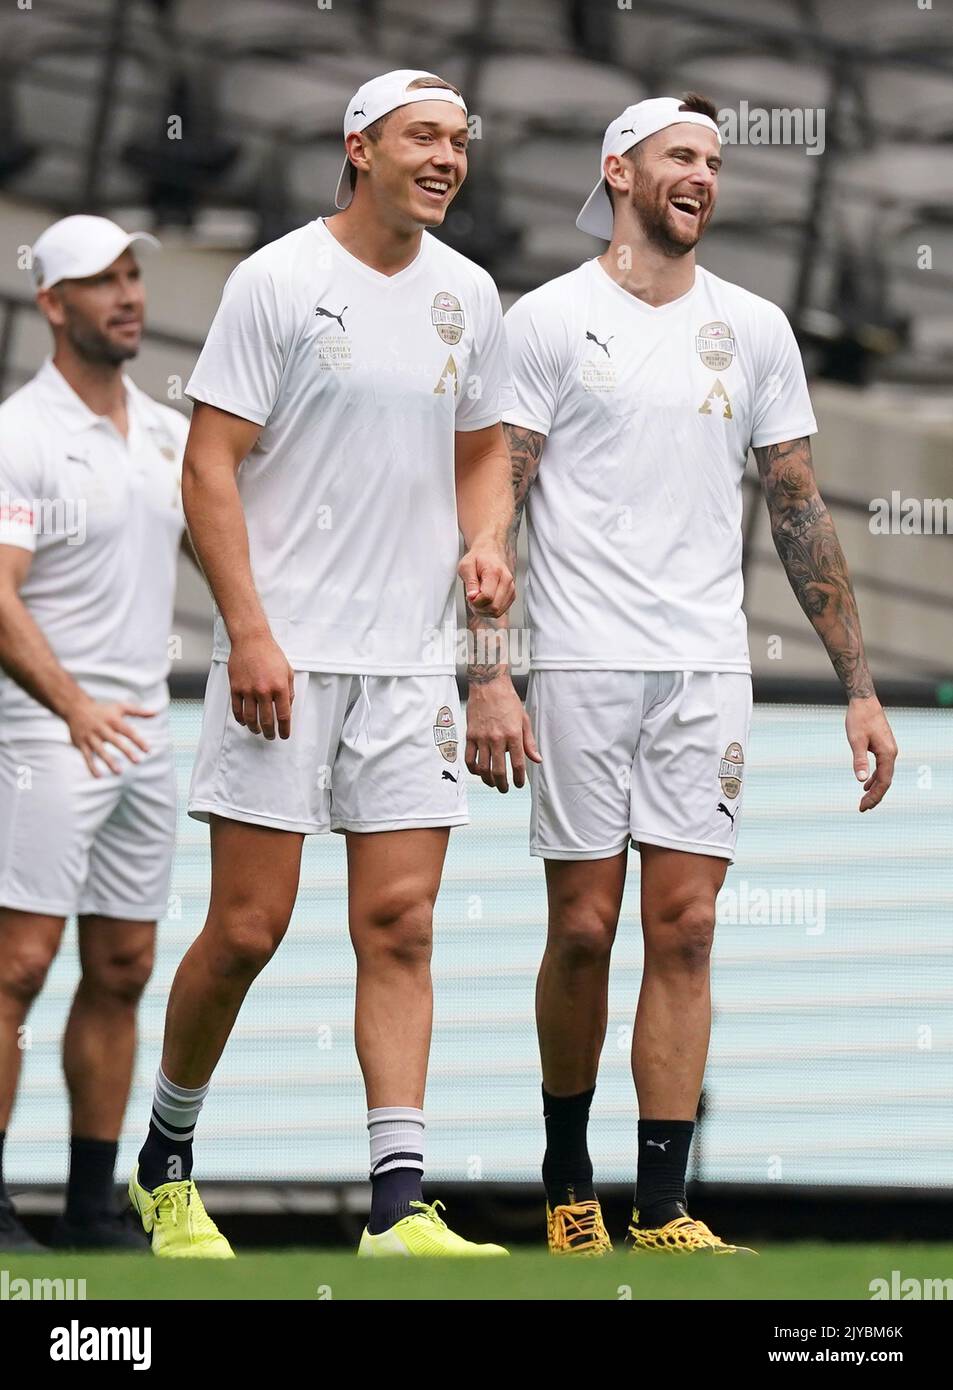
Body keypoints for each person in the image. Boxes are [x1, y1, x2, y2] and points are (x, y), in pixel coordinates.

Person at [129, 69, 529, 1259]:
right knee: (248, 927)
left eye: (460, 140)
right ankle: (166, 1157)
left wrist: (488, 548)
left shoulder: (470, 293)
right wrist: (248, 632)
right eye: (424, 136)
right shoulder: (279, 281)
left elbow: (481, 453)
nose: (449, 156)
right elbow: (207, 467)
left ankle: (396, 1206)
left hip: (412, 669)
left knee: (400, 925)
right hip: (285, 656)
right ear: (358, 148)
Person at [501, 95, 898, 1255]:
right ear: (618, 169)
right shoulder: (545, 321)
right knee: (582, 928)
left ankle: (661, 1204)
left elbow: (796, 510)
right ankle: (567, 1182)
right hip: (575, 662)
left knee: (684, 928)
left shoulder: (755, 328)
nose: (703, 176)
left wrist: (858, 688)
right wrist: (482, 672)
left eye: (715, 162)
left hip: (703, 671)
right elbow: (494, 509)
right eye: (681, 156)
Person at [0, 215, 188, 1250]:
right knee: (17, 967)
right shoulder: (17, 433)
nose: (124, 294)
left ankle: (87, 1204)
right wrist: (72, 707)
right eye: (97, 281)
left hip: (144, 737)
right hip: (39, 737)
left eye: (130, 274)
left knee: (120, 968)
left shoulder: (163, 433)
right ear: (51, 304)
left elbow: (230, 555)